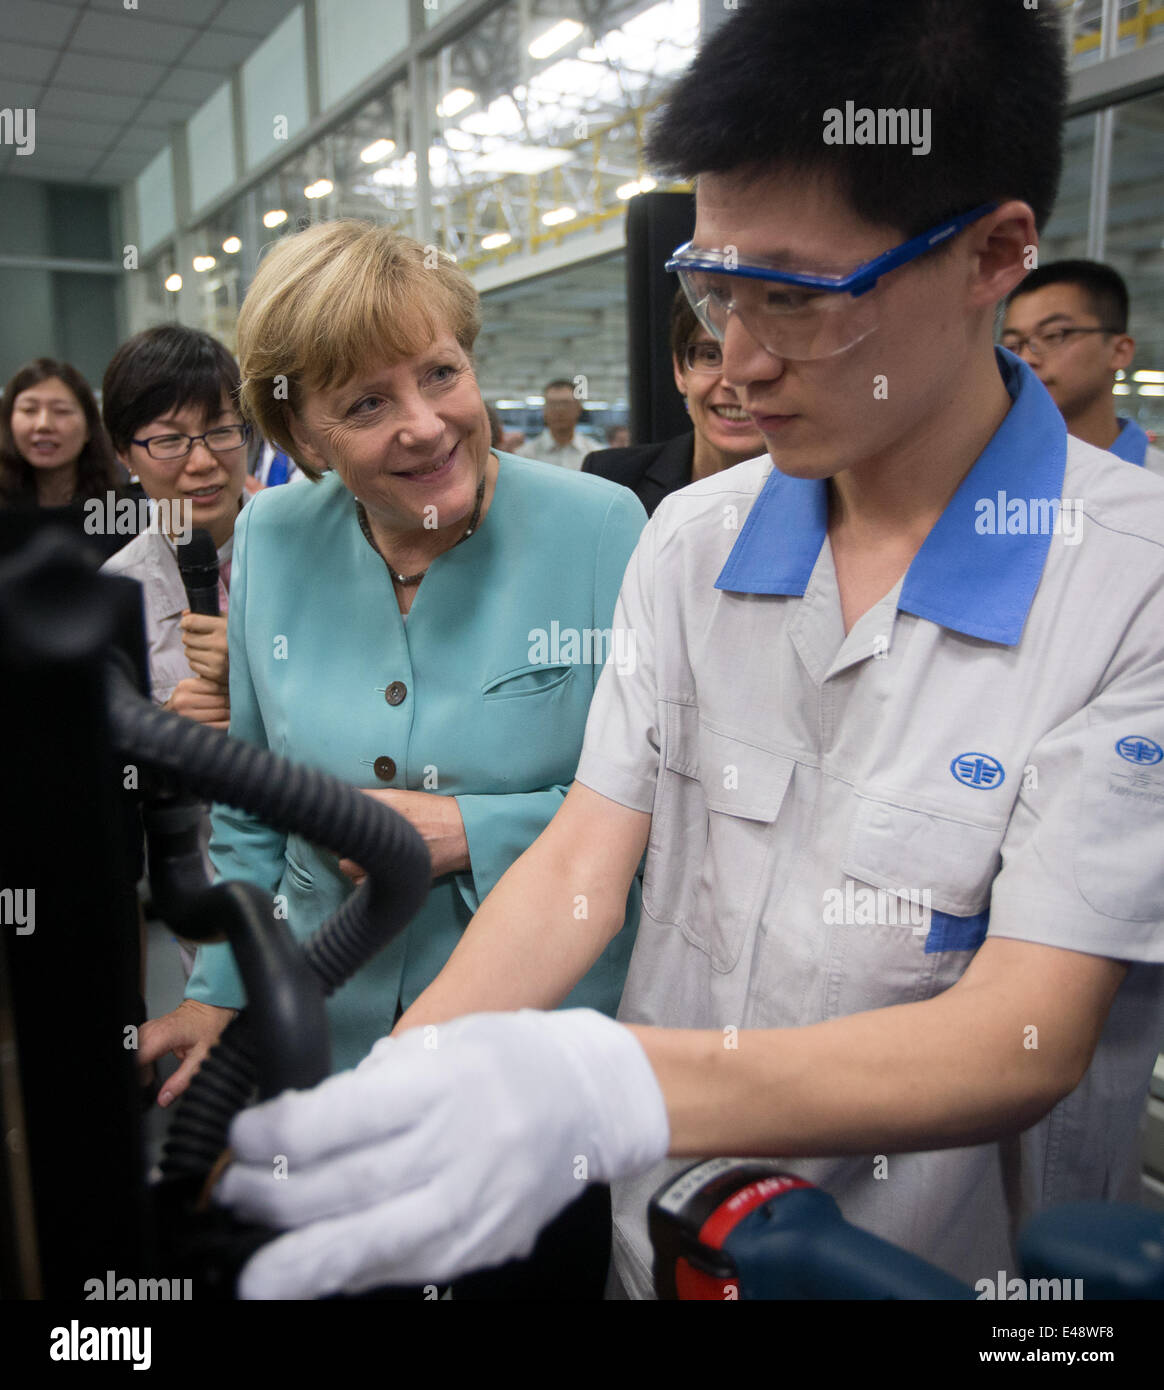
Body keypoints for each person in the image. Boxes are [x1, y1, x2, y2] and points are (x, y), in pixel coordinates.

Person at [213, 0, 1164, 1304]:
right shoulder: (692, 540)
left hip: (935, 1268)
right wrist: (407, 1088)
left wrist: (613, 1078)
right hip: (657, 1242)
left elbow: (1029, 1025)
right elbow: (582, 872)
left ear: (996, 253)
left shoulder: (1129, 581)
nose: (735, 362)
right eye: (714, 289)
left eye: (795, 298)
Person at [141, 219, 646, 1298]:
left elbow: (660, 804)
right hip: (324, 1040)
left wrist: (468, 831)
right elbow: (253, 806)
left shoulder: (604, 527)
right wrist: (216, 995)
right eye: (366, 403)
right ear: (302, 432)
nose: (425, 426)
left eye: (440, 373)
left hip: (532, 1052)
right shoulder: (275, 536)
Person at [101, 326, 249, 725]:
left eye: (220, 432)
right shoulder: (114, 595)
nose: (202, 462)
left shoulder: (317, 549)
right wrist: (164, 734)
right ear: (123, 455)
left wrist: (257, 673)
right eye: (169, 440)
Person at [585, 289, 765, 514]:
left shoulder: (819, 495)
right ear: (680, 371)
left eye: (757, 355)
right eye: (711, 356)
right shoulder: (612, 480)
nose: (731, 381)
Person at [1002, 259, 1164, 475]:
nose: (1025, 358)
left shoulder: (1154, 485)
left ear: (1119, 352)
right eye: (1012, 346)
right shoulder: (997, 475)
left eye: (1052, 335)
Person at [0, 358, 132, 561]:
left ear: (89, 428)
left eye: (61, 411)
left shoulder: (123, 514)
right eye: (29, 410)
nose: (43, 425)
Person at [516, 378, 601, 468]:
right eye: (552, 404)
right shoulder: (525, 456)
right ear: (544, 410)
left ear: (578, 409)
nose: (559, 410)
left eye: (566, 404)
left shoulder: (594, 454)